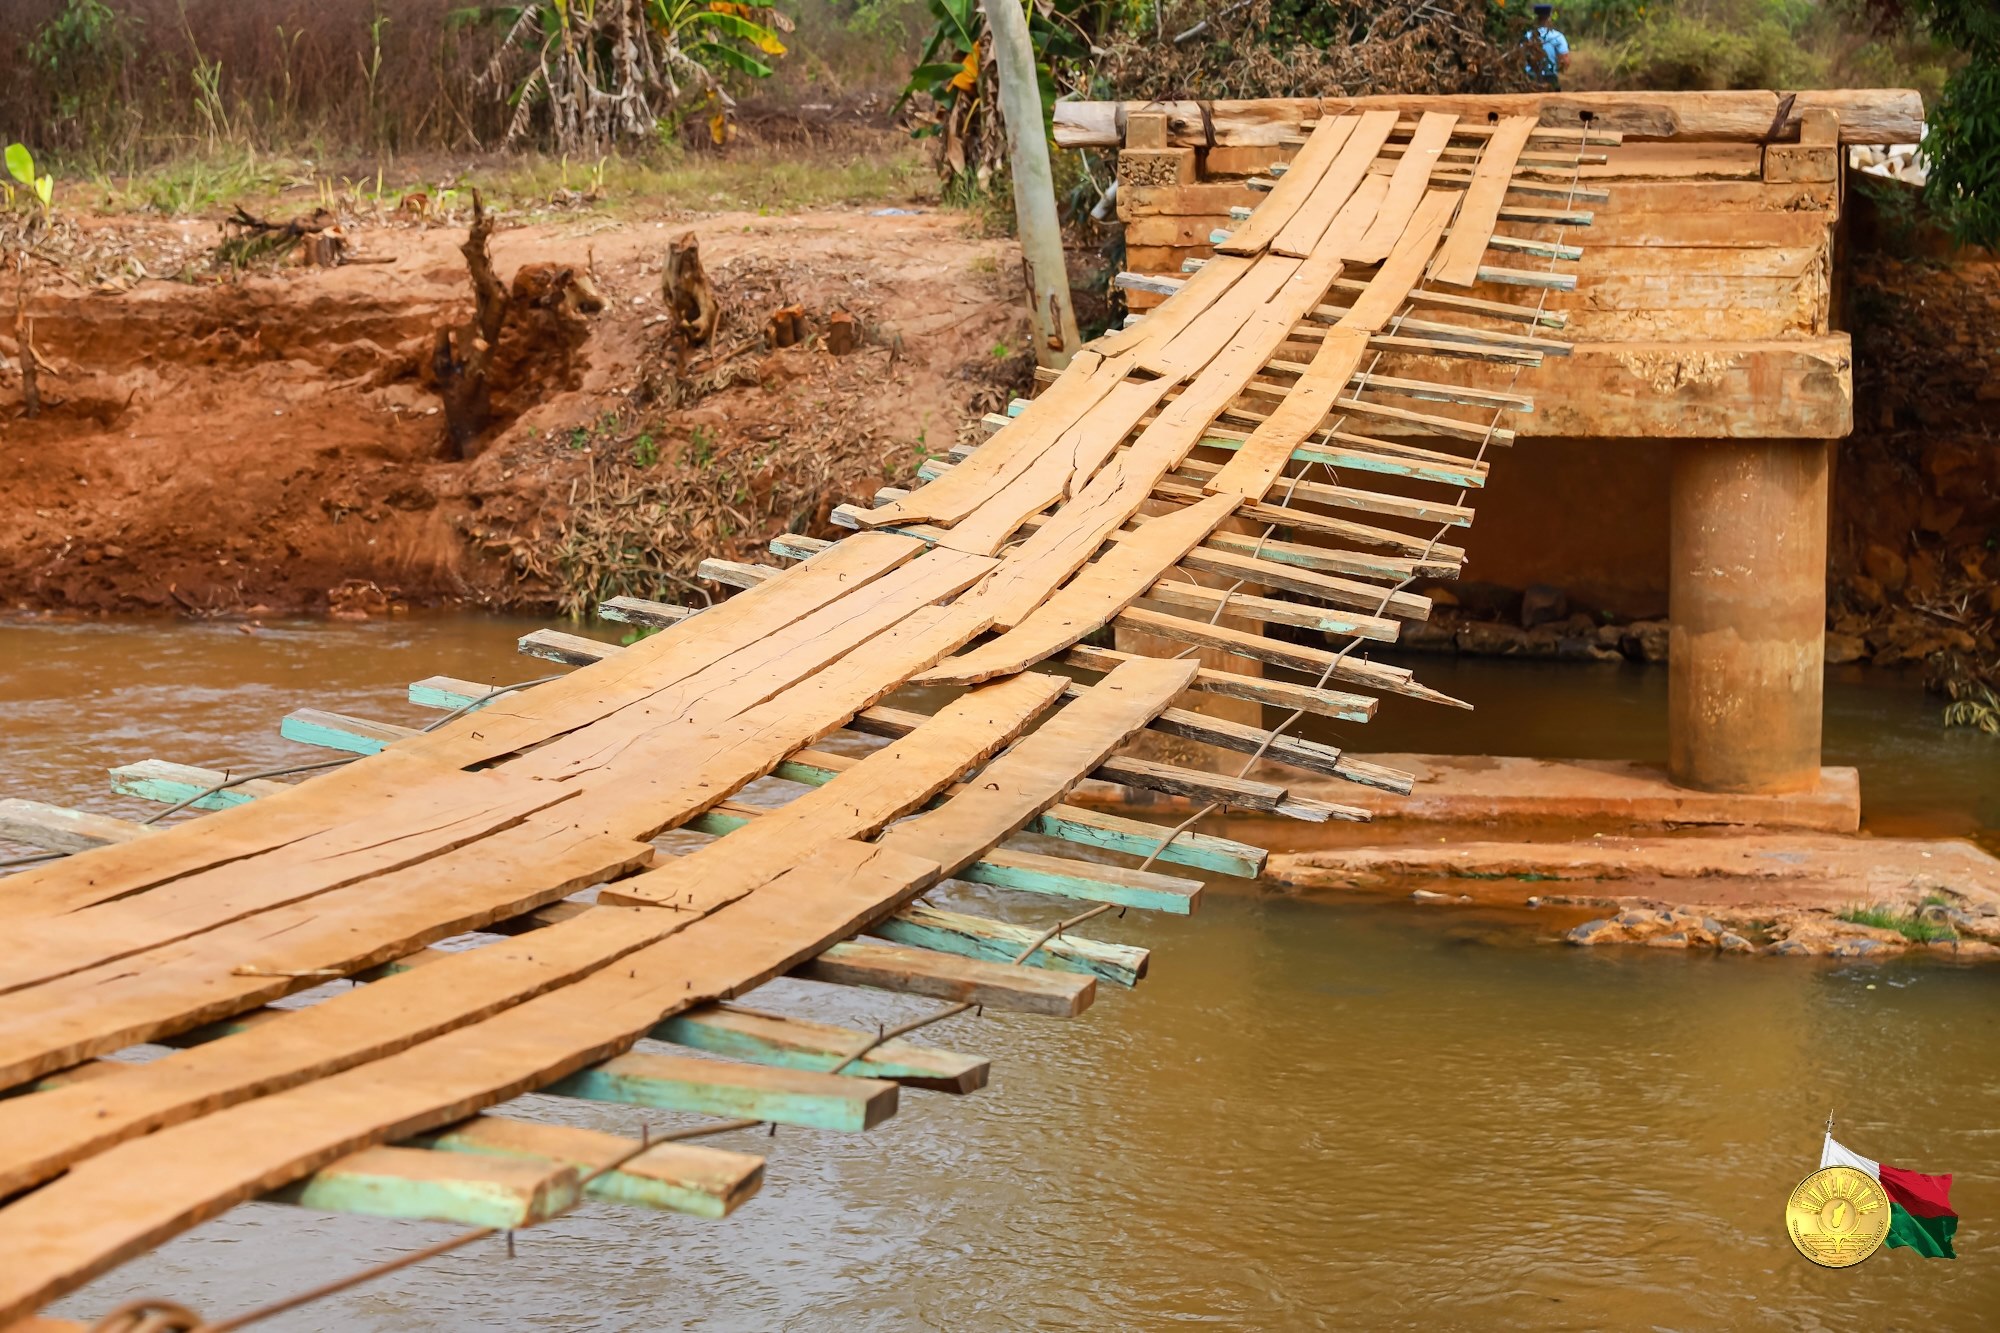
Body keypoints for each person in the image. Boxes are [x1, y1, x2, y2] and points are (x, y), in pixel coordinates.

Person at [1522, 4, 1570, 89]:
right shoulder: (1558, 37)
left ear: (1536, 18)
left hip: (1531, 78)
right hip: (1550, 77)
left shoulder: (1527, 36)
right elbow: (1565, 60)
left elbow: (1521, 57)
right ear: (1549, 17)